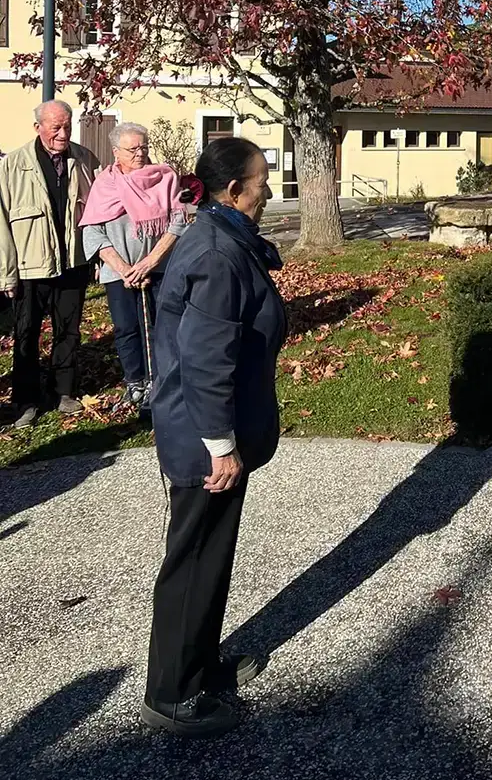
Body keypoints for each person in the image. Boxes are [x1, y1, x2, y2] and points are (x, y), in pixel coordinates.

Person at [142, 136, 287, 738]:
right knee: (195, 556)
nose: (268, 191)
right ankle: (172, 695)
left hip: (211, 430)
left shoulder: (223, 238)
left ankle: (198, 664)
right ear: (233, 192)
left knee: (213, 555)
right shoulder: (215, 253)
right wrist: (221, 444)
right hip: (203, 438)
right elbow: (205, 360)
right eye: (261, 181)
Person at [0, 100, 100, 428]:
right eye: (55, 127)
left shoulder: (84, 159)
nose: (62, 133)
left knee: (68, 330)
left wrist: (96, 254)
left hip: (73, 262)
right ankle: (26, 400)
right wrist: (7, 272)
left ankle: (63, 392)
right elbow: (1, 223)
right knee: (26, 333)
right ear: (38, 128)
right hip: (30, 266)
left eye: (67, 126)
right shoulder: (13, 165)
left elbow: (100, 209)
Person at [80, 123, 187, 411]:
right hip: (120, 272)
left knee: (159, 325)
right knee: (126, 328)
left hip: (158, 267)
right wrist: (125, 268)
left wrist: (150, 262)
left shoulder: (164, 177)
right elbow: (92, 231)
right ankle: (135, 384)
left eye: (144, 147)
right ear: (116, 152)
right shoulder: (104, 184)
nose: (140, 153)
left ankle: (162, 382)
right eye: (133, 149)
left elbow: (178, 222)